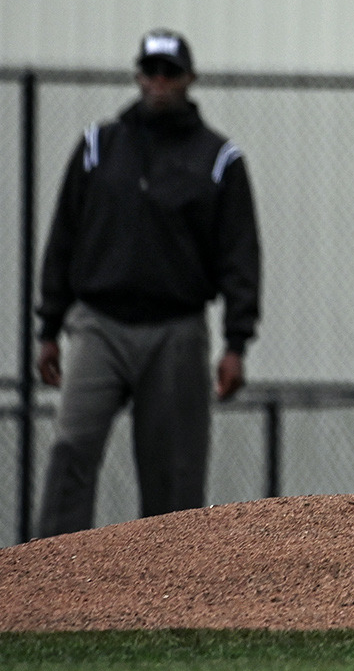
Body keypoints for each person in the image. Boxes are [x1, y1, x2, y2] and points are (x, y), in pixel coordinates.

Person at [33, 29, 262, 537]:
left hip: (175, 331)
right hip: (99, 325)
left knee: (173, 475)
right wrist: (49, 325)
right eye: (150, 71)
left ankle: (169, 592)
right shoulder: (99, 147)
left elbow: (240, 257)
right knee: (71, 444)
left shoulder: (219, 159)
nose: (159, 82)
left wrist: (236, 343)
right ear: (138, 75)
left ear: (189, 79)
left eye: (170, 73)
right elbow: (64, 238)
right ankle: (46, 580)